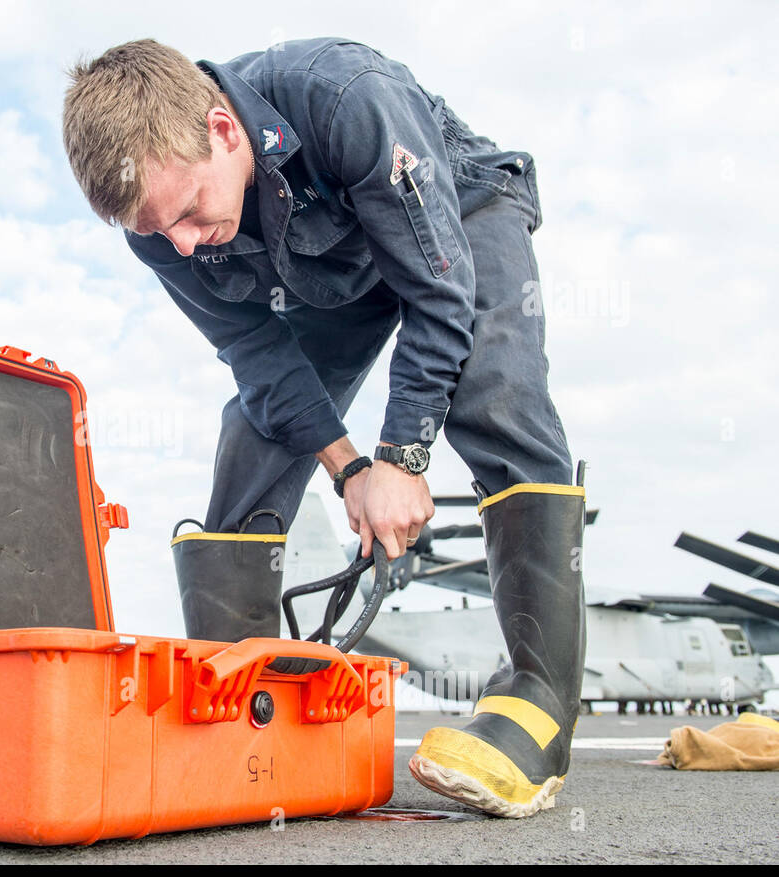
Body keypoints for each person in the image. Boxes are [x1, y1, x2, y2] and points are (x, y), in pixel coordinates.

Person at [61, 37, 587, 819]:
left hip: (457, 213)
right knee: (257, 433)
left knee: (492, 391)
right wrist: (349, 470)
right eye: (155, 230)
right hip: (332, 268)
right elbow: (256, 353)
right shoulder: (162, 224)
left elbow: (439, 296)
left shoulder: (347, 99)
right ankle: (234, 706)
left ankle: (540, 704)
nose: (179, 243)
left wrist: (401, 459)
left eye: (189, 213)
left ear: (224, 131)